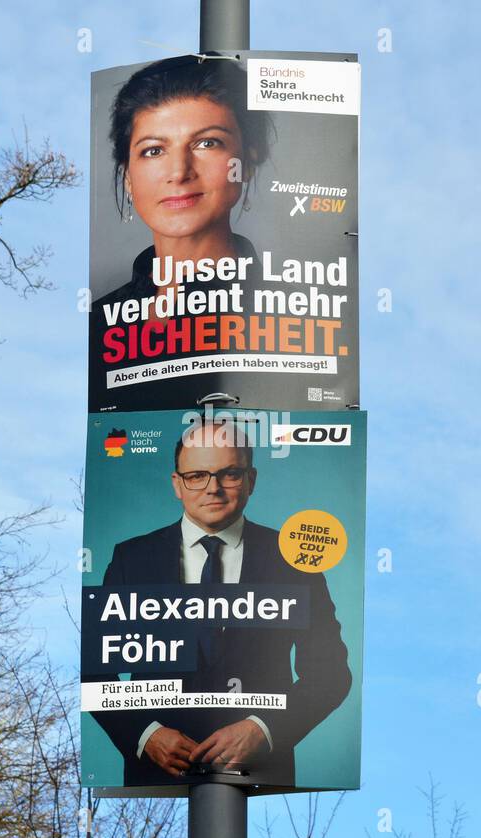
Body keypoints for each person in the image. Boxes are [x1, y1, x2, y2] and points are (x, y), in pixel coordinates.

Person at [89, 419, 352, 788]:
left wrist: (263, 729)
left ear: (251, 480)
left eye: (229, 474)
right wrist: (146, 734)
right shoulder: (131, 558)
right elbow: (96, 671)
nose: (213, 489)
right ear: (177, 484)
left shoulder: (293, 562)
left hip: (262, 772)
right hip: (156, 775)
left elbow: (331, 675)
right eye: (197, 475)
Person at [89, 56, 281, 411]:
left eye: (207, 143)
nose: (178, 172)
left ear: (249, 160)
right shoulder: (96, 325)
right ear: (128, 176)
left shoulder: (295, 310)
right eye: (154, 150)